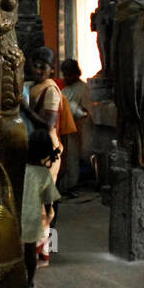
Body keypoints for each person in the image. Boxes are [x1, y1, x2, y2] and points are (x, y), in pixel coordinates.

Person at [23, 47, 62, 265]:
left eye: (43, 67)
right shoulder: (33, 87)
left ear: (51, 69)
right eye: (35, 64)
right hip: (35, 149)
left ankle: (42, 254)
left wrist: (25, 108)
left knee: (42, 205)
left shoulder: (50, 90)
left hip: (47, 150)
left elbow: (48, 123)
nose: (38, 70)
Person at [22, 128, 62, 288]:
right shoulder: (43, 174)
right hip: (32, 216)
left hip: (16, 214)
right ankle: (30, 282)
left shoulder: (20, 169)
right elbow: (48, 201)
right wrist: (49, 213)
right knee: (30, 252)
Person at [57, 58, 89, 197]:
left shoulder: (83, 89)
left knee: (72, 158)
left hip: (76, 129)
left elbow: (86, 112)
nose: (66, 78)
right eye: (64, 75)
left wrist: (74, 110)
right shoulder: (65, 89)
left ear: (76, 74)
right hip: (63, 128)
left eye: (68, 75)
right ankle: (64, 185)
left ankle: (71, 184)